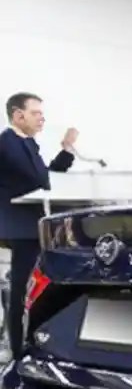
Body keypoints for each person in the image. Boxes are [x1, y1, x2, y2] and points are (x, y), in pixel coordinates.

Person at [0, 92, 77, 356]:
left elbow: (46, 176)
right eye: (36, 113)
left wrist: (66, 150)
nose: (42, 118)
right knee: (22, 291)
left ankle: (33, 343)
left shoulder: (27, 144)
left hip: (35, 228)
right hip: (21, 229)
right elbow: (35, 179)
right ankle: (18, 349)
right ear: (18, 115)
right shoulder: (7, 143)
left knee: (34, 289)